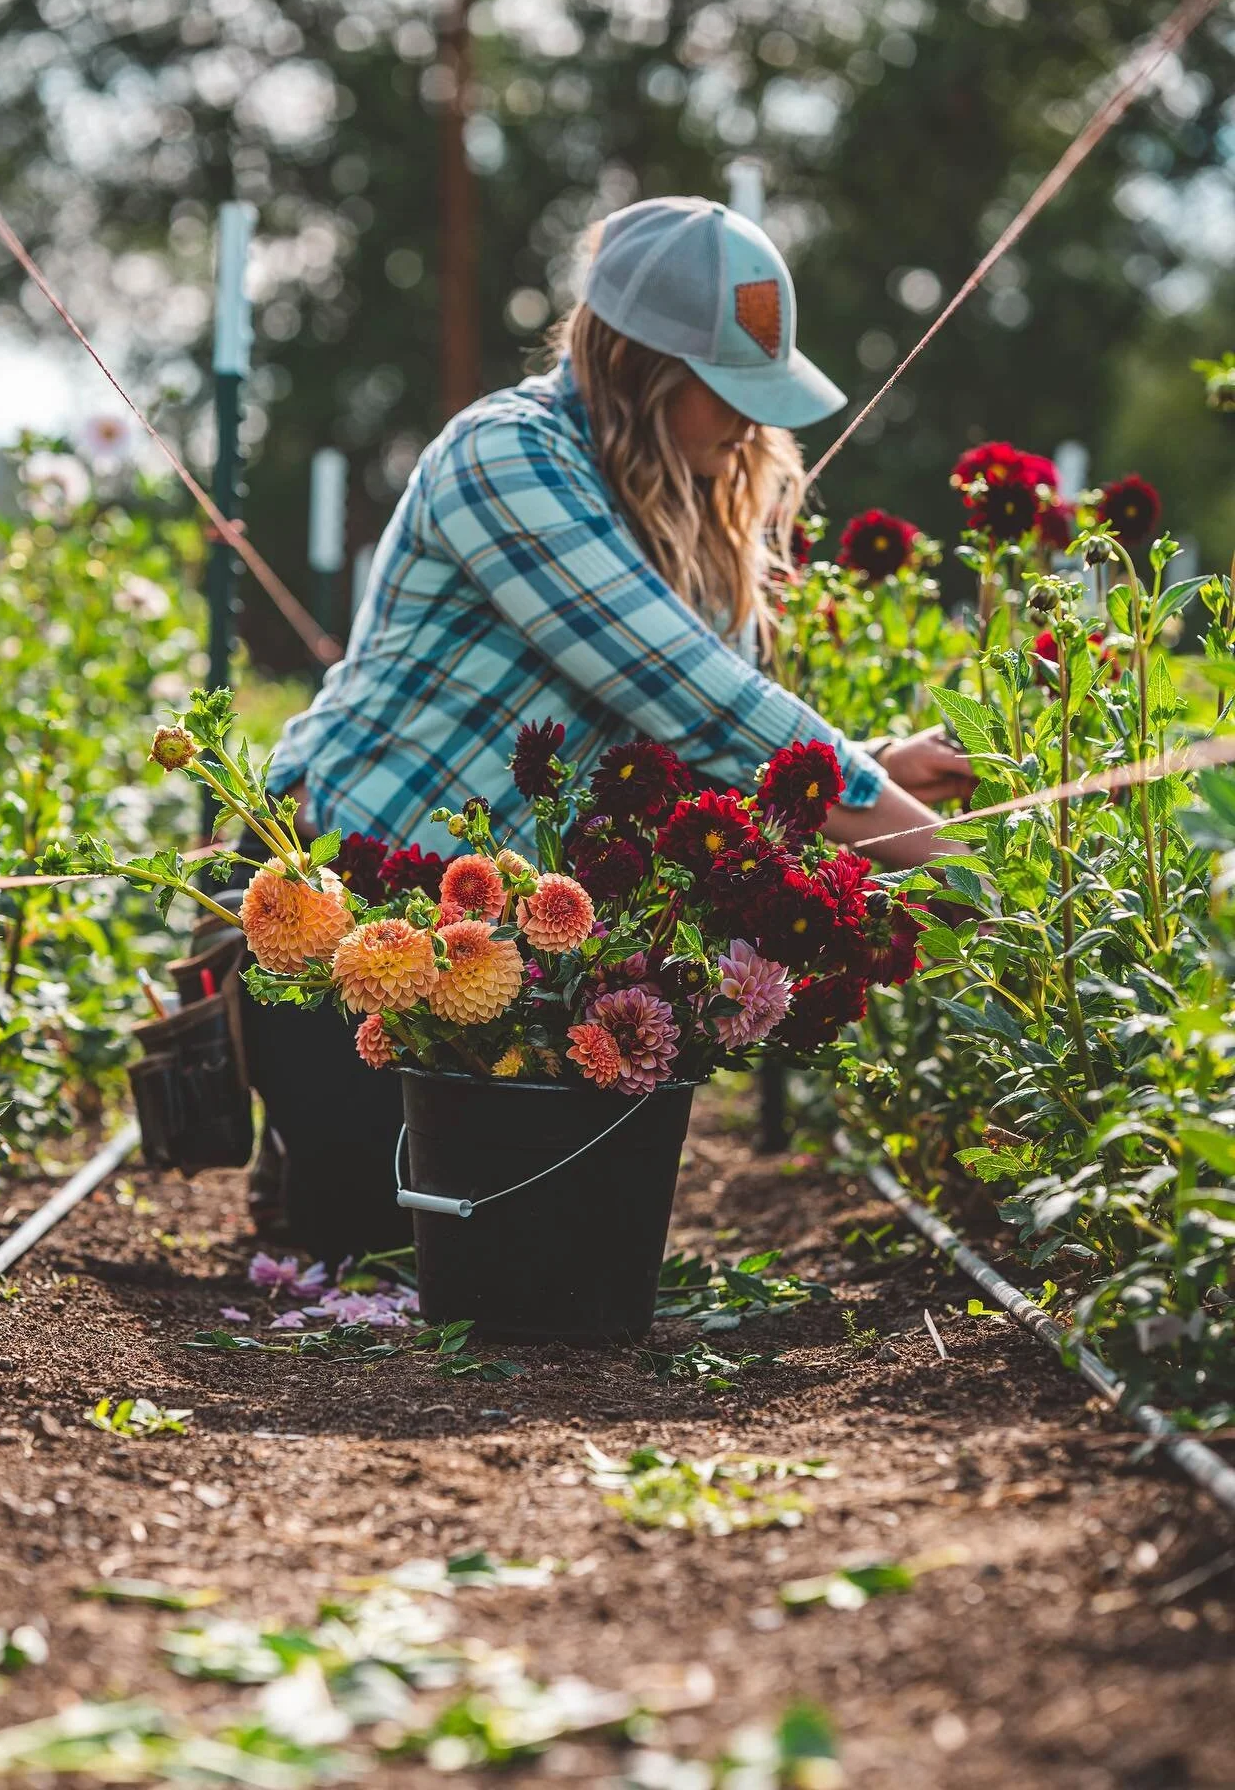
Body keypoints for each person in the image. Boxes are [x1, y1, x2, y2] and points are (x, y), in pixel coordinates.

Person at [241, 195, 974, 1252]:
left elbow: (688, 761)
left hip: (499, 962)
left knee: (514, 1259)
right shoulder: (505, 457)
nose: (751, 424)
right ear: (638, 368)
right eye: (726, 389)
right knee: (380, 1250)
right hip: (348, 938)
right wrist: (940, 851)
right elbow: (689, 690)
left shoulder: (668, 504)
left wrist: (867, 770)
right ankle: (302, 1139)